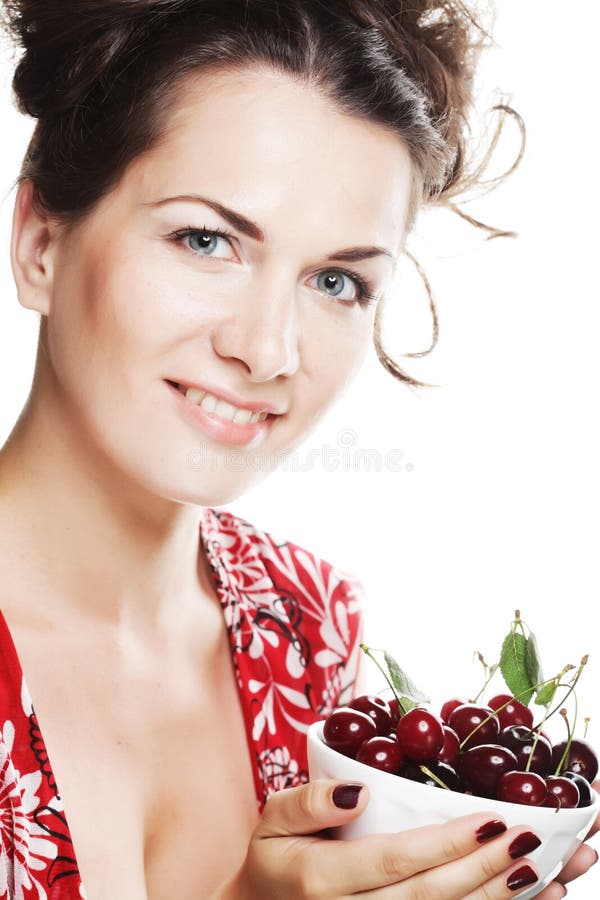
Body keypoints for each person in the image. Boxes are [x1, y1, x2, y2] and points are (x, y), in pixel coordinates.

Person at [0, 1, 597, 897]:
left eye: (336, 281)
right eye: (207, 241)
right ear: (42, 242)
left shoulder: (313, 633)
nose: (269, 349)